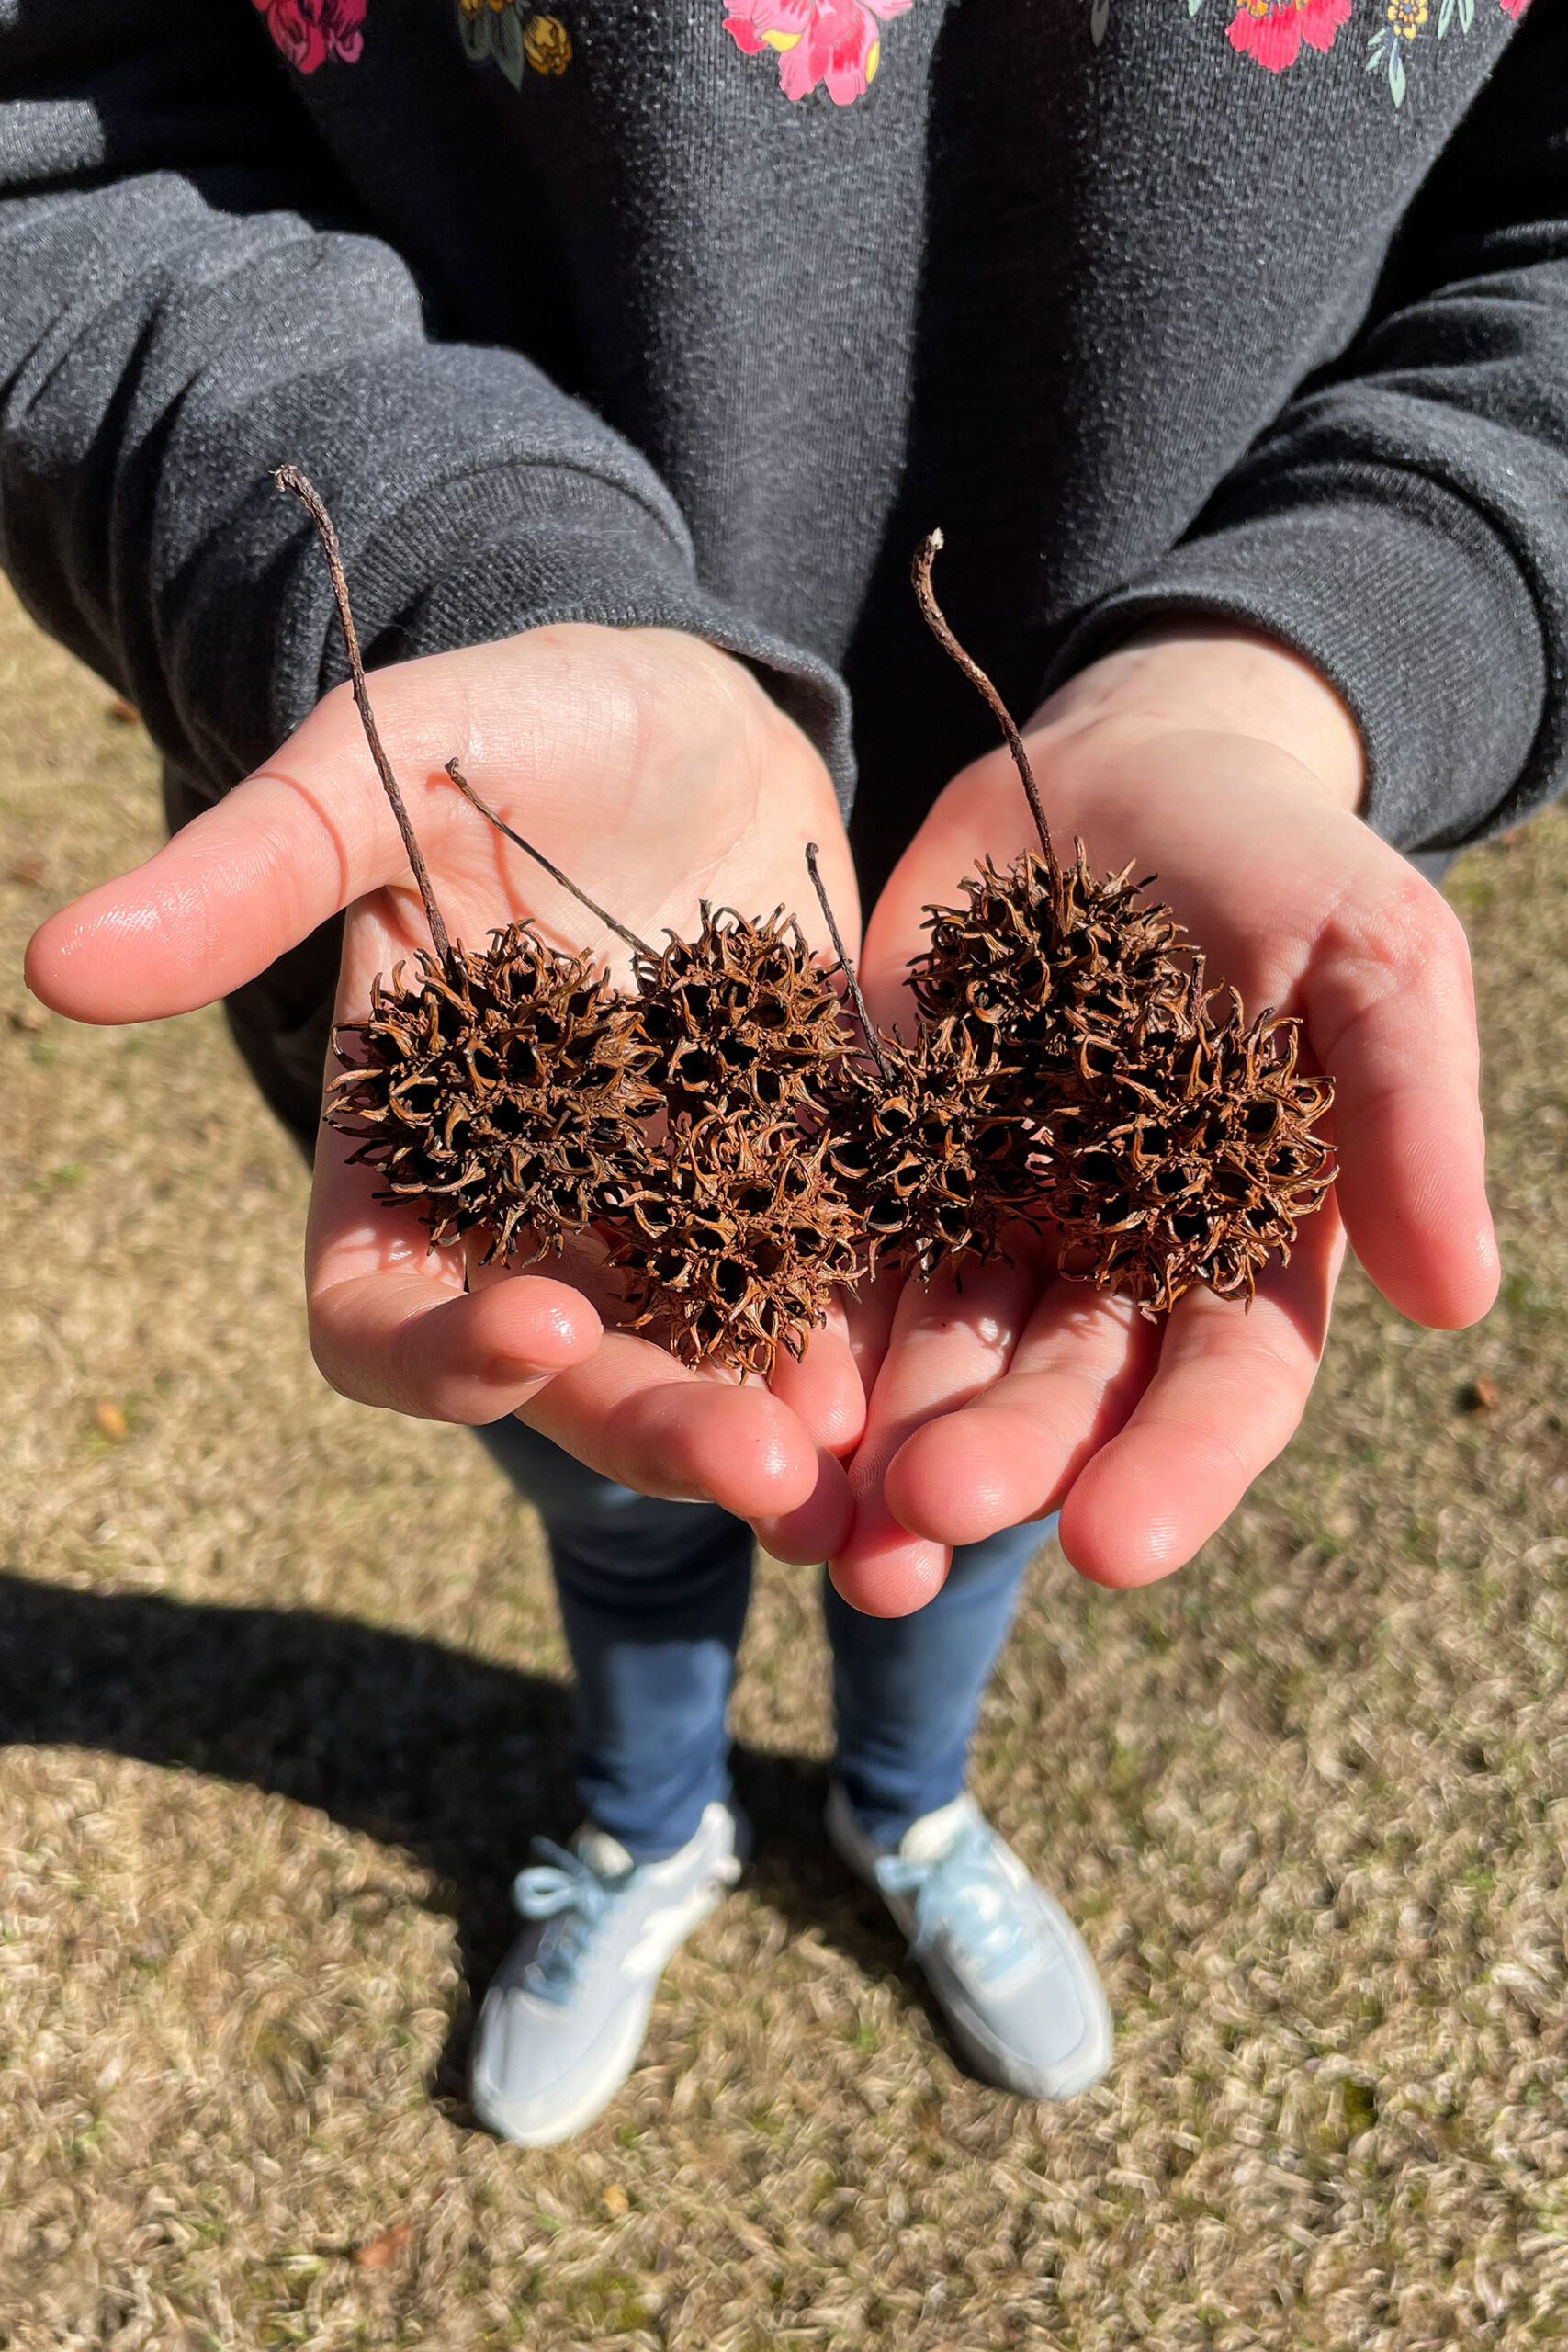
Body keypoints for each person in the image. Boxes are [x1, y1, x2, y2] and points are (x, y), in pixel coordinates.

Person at [5, 0, 1562, 2147]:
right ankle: (651, 1821)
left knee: (945, 1503)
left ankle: (901, 1802)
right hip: (524, 923)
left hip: (1088, 860)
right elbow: (64, 130)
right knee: (623, 1474)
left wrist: (1318, 648)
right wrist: (448, 567)